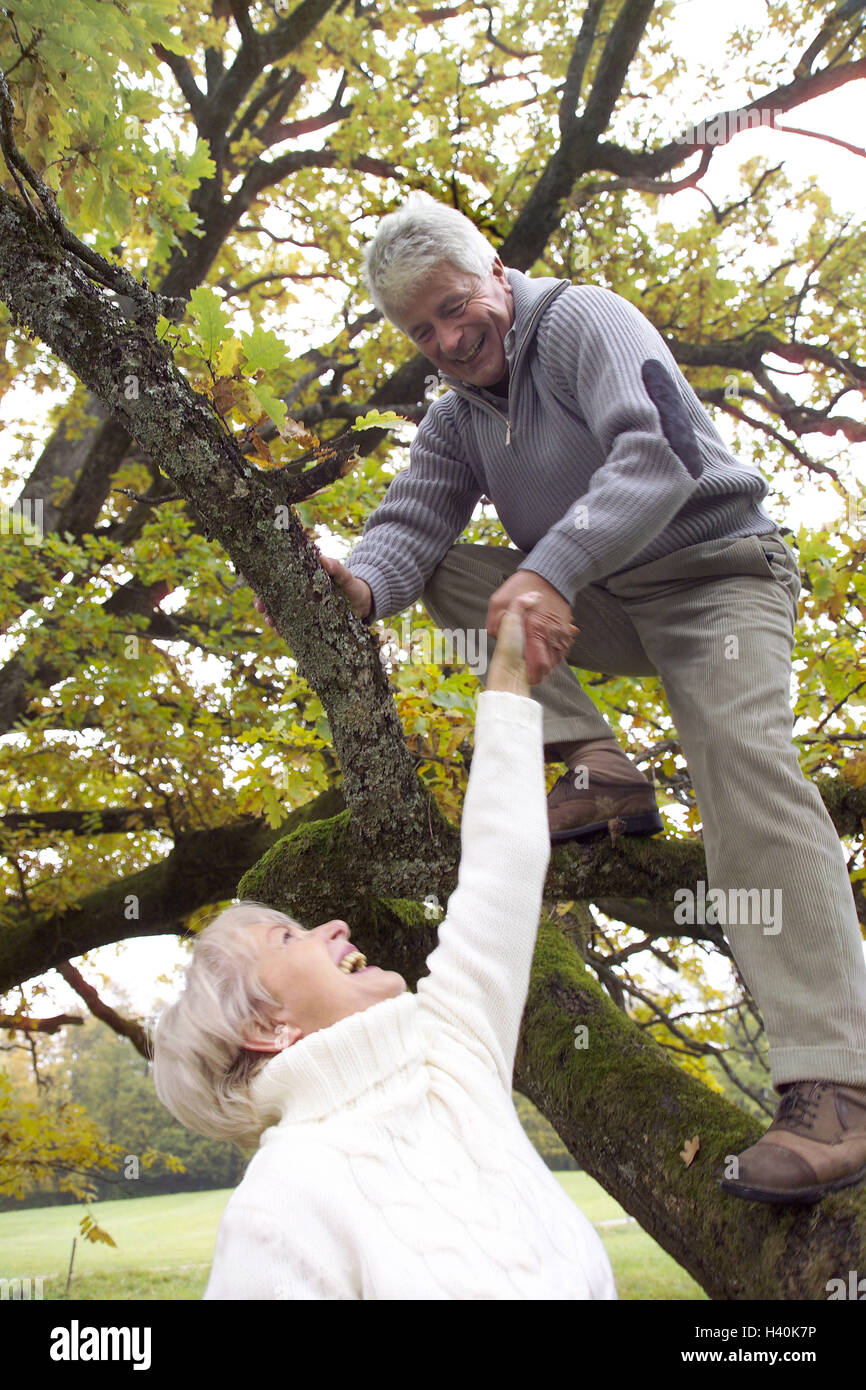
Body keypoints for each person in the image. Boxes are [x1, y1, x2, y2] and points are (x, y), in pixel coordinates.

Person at [255, 191, 866, 1205]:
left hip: (717, 578)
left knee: (742, 773)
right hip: (606, 600)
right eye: (422, 331)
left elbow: (658, 453)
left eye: (456, 307)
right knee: (449, 571)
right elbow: (409, 526)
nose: (449, 339)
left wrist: (550, 567)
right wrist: (350, 587)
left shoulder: (586, 320)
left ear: (495, 273)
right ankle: (598, 765)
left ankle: (836, 1082)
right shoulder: (457, 419)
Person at [153, 593, 618, 1300]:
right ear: (265, 1026)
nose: (336, 927)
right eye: (290, 937)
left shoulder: (454, 1054)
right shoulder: (278, 1210)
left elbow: (504, 867)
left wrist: (509, 675)